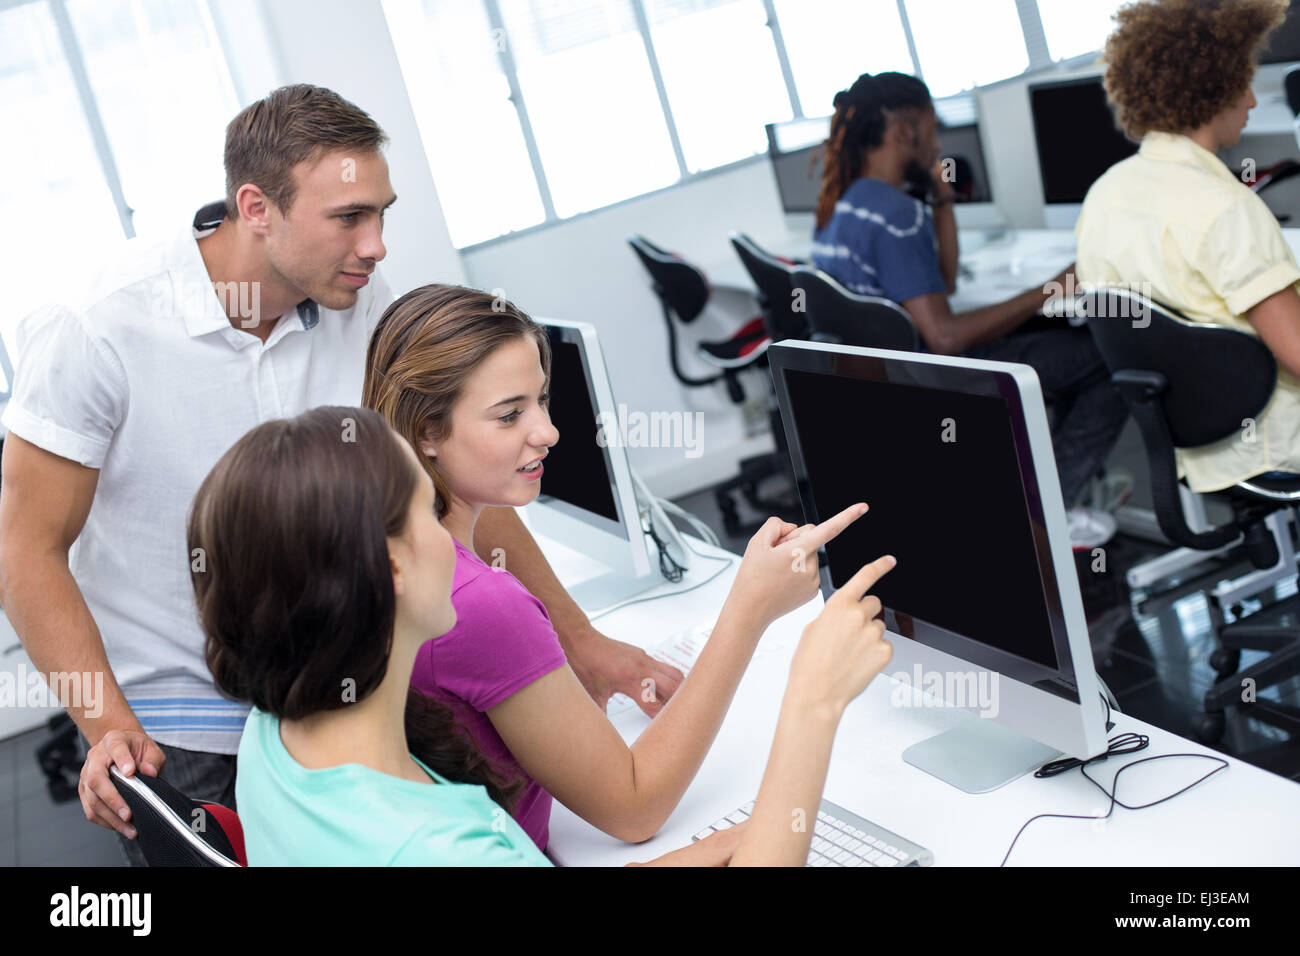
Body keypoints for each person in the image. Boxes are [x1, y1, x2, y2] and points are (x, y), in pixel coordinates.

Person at [0, 84, 680, 865]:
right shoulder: (101, 328)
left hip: (333, 704)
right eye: (349, 218)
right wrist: (105, 721)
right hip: (184, 720)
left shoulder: (361, 301)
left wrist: (578, 637)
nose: (377, 245)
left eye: (382, 213)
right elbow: (26, 550)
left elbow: (445, 494)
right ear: (256, 207)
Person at [194, 405, 898, 866]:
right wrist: (815, 699)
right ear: (390, 567)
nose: (453, 541)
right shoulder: (434, 849)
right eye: (425, 511)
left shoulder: (276, 735)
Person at [362, 284, 872, 849]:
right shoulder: (478, 602)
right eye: (509, 416)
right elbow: (634, 809)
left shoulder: (376, 539)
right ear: (427, 430)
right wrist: (749, 610)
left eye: (542, 400)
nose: (548, 432)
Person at [811, 71, 1128, 548]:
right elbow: (946, 338)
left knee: (1060, 348)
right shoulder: (895, 215)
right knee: (1109, 353)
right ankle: (1047, 513)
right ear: (904, 131)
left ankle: (1032, 491)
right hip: (929, 379)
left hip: (885, 384)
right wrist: (1052, 288)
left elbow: (945, 283)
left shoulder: (846, 204)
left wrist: (941, 199)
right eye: (933, 127)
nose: (939, 141)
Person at [1076, 0, 1300, 491]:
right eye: (1244, 81)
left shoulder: (1105, 194)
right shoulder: (1226, 208)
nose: (1253, 100)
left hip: (1196, 447)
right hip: (1274, 444)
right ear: (1215, 87)